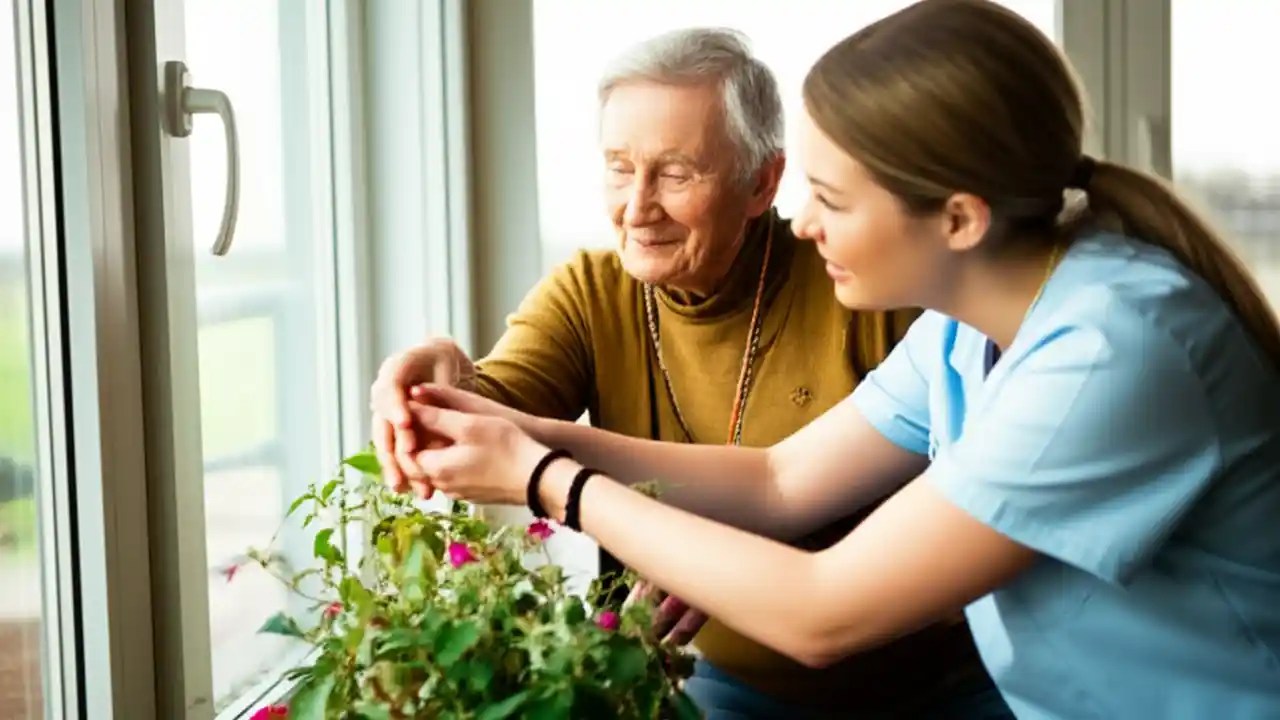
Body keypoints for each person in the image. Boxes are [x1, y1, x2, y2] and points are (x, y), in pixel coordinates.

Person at [385, 1, 1280, 717]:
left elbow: (822, 612)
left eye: (830, 198)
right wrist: (513, 427)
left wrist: (548, 483)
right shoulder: (971, 321)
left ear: (959, 220)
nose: (805, 226)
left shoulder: (1110, 351)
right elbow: (779, 480)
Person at [370, 25, 1005, 720]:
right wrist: (443, 380)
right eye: (619, 166)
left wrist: (718, 555)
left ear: (761, 182)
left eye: (675, 173)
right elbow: (499, 409)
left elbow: (930, 500)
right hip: (728, 681)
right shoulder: (591, 291)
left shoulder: (860, 281)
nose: (637, 208)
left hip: (926, 676)